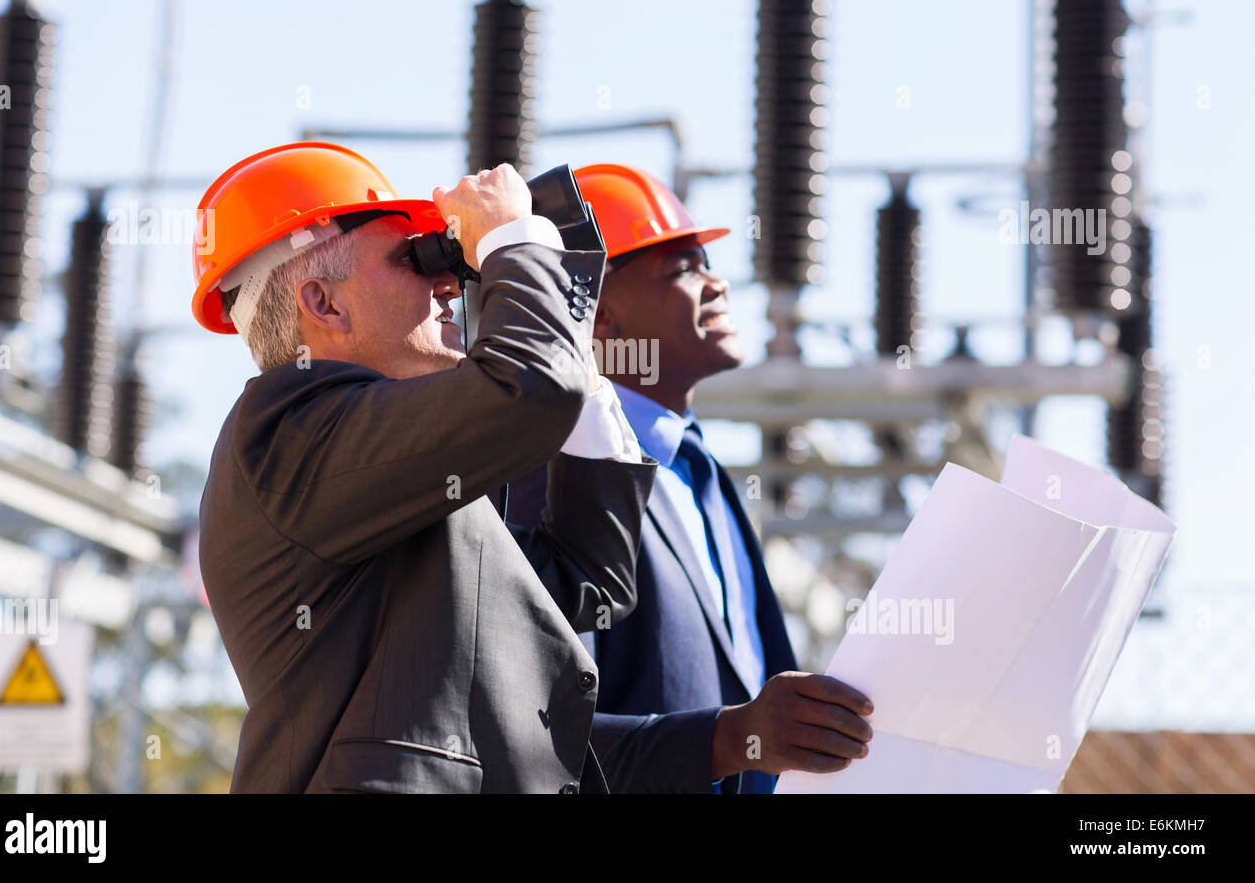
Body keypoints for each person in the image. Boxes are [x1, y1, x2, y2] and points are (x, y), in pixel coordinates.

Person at [191, 142, 656, 792]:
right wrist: (508, 241)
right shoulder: (285, 435)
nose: (450, 281)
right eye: (415, 258)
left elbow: (588, 582)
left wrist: (729, 735)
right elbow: (527, 393)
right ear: (323, 303)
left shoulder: (383, 477)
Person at [506, 163, 874, 793]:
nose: (717, 283)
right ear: (596, 317)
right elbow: (529, 733)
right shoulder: (551, 478)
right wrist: (728, 739)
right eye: (684, 267)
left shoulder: (700, 474)